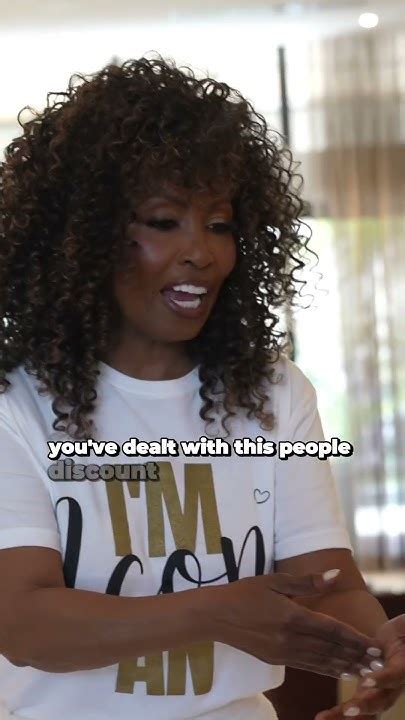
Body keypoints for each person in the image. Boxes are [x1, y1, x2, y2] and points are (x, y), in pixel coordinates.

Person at [0, 53, 403, 720]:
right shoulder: (16, 405)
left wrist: (378, 648)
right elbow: (24, 624)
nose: (202, 252)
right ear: (84, 238)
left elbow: (326, 587)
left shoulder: (273, 391)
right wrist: (212, 611)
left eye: (219, 224)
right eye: (165, 222)